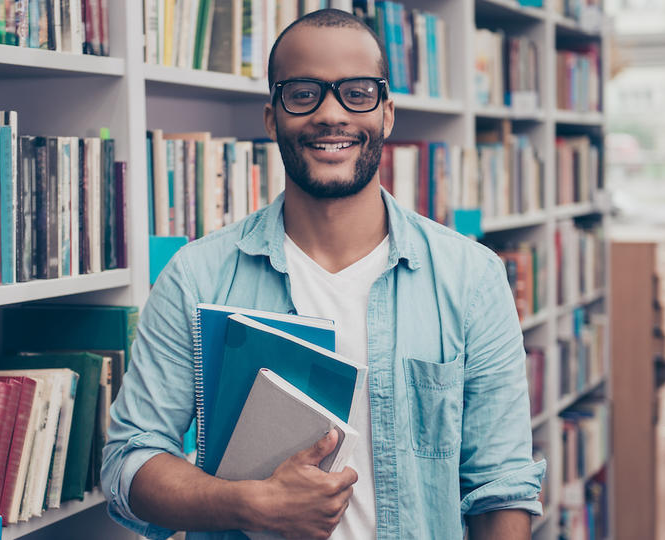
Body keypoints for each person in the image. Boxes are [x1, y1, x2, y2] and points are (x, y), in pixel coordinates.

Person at [102, 9, 545, 540]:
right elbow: (128, 463)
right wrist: (246, 506)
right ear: (272, 118)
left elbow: (502, 487)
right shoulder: (196, 276)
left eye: (357, 92)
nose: (331, 114)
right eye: (303, 93)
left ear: (387, 114)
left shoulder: (471, 277)